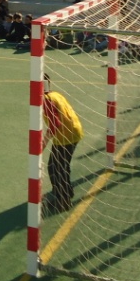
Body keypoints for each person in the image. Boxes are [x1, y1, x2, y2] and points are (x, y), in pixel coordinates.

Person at [42, 74, 83, 213]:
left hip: (66, 136)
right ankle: (66, 192)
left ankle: (63, 201)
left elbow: (55, 124)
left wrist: (43, 143)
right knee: (61, 165)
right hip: (73, 131)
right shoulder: (55, 94)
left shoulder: (46, 100)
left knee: (55, 168)